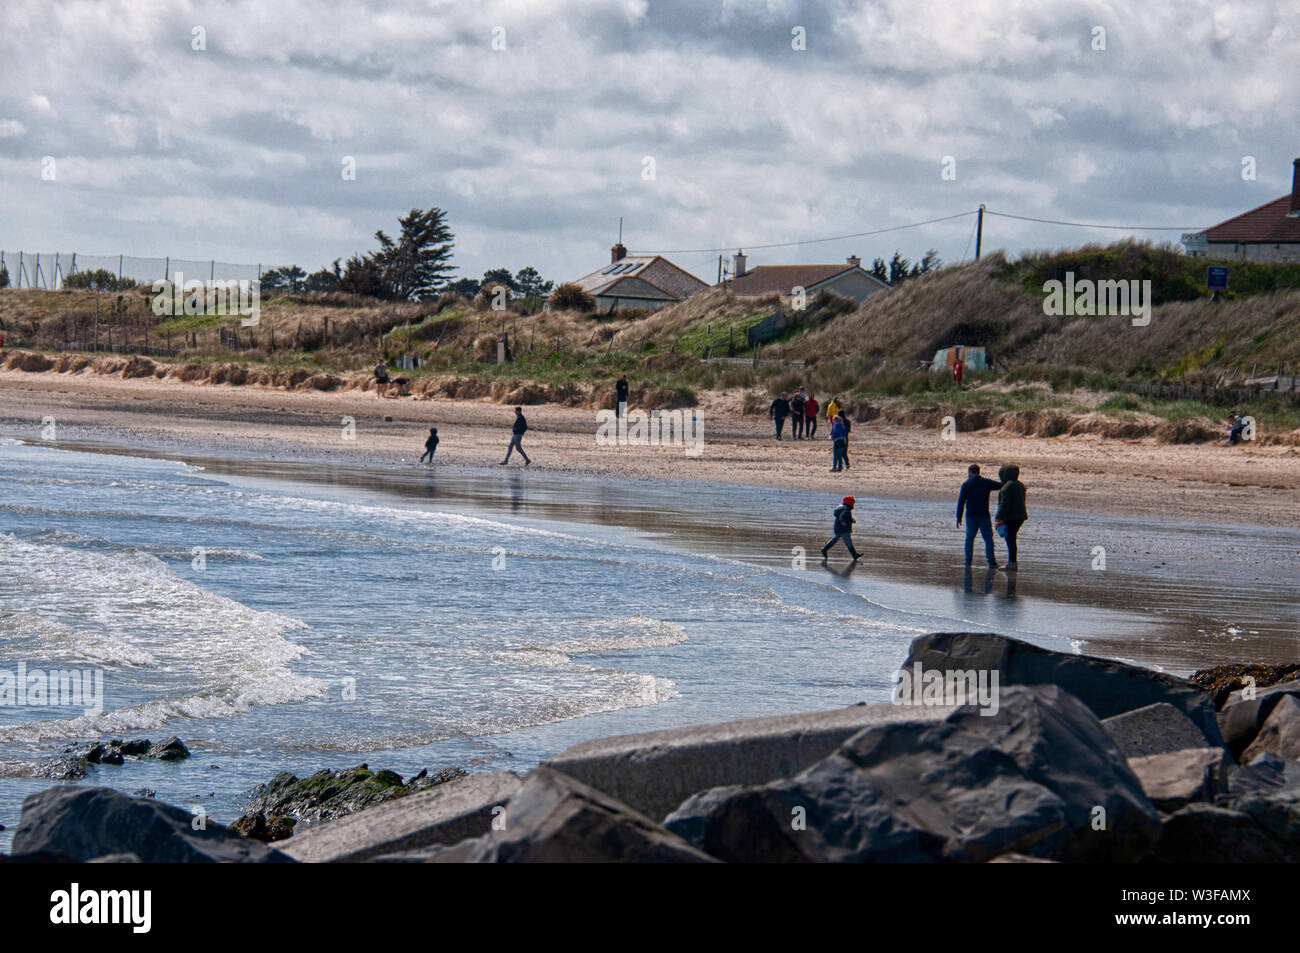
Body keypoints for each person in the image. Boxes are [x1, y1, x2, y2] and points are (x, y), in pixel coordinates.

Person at [956, 464, 1001, 568]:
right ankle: (992, 562)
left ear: (971, 472)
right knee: (988, 539)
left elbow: (961, 502)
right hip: (984, 515)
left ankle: (968, 562)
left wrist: (959, 517)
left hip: (971, 516)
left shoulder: (966, 484)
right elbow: (1000, 485)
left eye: (968, 472)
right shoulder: (986, 482)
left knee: (969, 539)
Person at [995, 464, 1028, 571]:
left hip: (1012, 517)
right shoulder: (1020, 485)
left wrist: (999, 517)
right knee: (1012, 538)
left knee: (1010, 539)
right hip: (1021, 516)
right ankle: (1012, 562)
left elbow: (1004, 504)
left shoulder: (1007, 486)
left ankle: (1012, 563)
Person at [820, 495, 861, 561]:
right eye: (853, 502)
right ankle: (854, 555)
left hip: (838, 528)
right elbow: (842, 517)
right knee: (848, 542)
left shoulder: (842, 508)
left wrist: (851, 520)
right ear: (850, 502)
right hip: (843, 529)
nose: (853, 504)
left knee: (835, 539)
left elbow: (844, 516)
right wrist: (843, 521)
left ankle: (824, 549)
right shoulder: (846, 509)